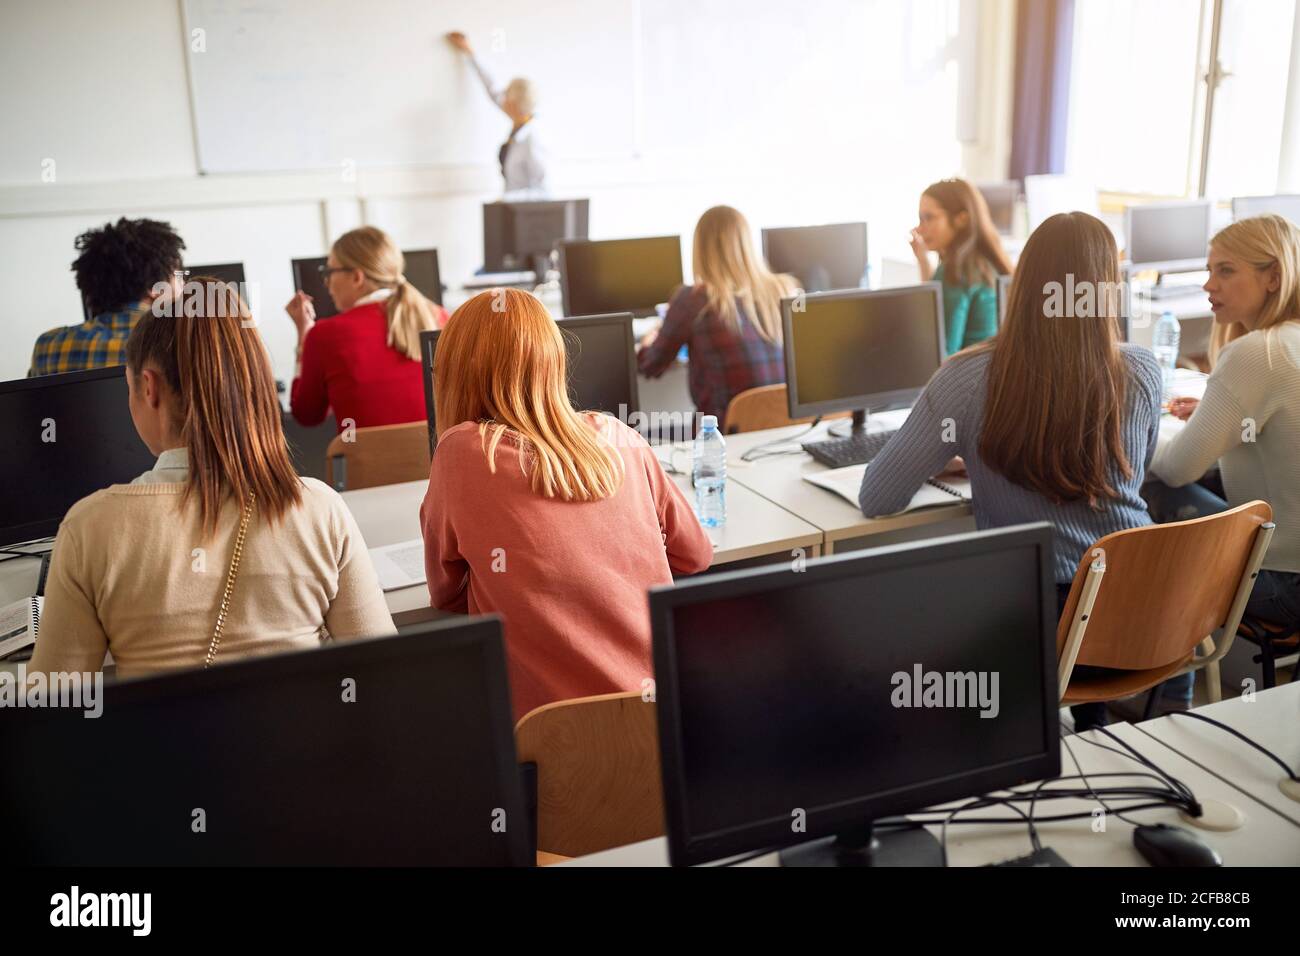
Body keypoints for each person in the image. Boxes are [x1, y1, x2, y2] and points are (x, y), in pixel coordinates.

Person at [860, 213, 1163, 731]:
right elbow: (1132, 475)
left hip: (1038, 628)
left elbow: (879, 496)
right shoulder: (1142, 370)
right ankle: (1094, 734)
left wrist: (971, 447)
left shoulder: (966, 378)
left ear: (1021, 282)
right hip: (1149, 617)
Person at [30, 281, 394, 678]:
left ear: (148, 388)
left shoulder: (89, 527)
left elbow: (53, 707)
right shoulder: (320, 508)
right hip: (301, 739)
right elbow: (385, 672)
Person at [420, 288, 713, 721]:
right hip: (668, 723)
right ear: (554, 363)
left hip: (553, 746)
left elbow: (444, 592)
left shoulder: (463, 453)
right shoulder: (619, 436)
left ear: (453, 374)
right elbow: (696, 555)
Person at [1146, 214, 1300, 702]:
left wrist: (1130, 427)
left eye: (1226, 271)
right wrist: (1217, 416)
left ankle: (1163, 691)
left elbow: (1175, 469)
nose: (1208, 285)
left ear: (1273, 276)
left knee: (1152, 491)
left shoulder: (1258, 354)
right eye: (1208, 270)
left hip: (1285, 586)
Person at [637, 205, 798, 429]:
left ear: (700, 249)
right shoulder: (784, 290)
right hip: (788, 426)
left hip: (724, 433)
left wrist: (648, 340)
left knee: (652, 432)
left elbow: (651, 365)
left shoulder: (694, 298)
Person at [287, 226, 448, 432]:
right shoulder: (441, 318)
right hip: (441, 462)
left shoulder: (323, 335)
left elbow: (306, 414)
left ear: (357, 277)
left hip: (365, 464)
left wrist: (304, 336)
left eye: (328, 272)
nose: (326, 283)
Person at [30, 217, 184, 377]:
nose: (184, 287)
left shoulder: (48, 347)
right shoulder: (183, 345)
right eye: (179, 278)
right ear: (155, 288)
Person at [910, 178, 1014, 355]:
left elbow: (942, 353)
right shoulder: (987, 263)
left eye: (928, 218)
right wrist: (923, 263)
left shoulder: (956, 272)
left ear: (961, 219)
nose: (919, 228)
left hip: (965, 380)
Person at [446, 31, 548, 196]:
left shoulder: (533, 140)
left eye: (506, 95)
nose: (502, 97)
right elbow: (492, 89)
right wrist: (470, 53)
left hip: (525, 215)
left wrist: (509, 200)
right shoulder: (518, 121)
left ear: (514, 104)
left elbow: (543, 191)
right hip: (511, 211)